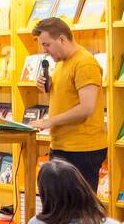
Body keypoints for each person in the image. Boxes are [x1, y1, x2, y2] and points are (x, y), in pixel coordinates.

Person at [30, 17, 108, 191]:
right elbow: (67, 96)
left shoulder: (85, 62)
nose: (45, 50)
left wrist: (50, 121)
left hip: (81, 149)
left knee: (79, 211)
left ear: (62, 39)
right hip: (62, 146)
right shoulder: (61, 63)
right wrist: (47, 87)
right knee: (60, 207)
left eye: (47, 45)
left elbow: (87, 108)